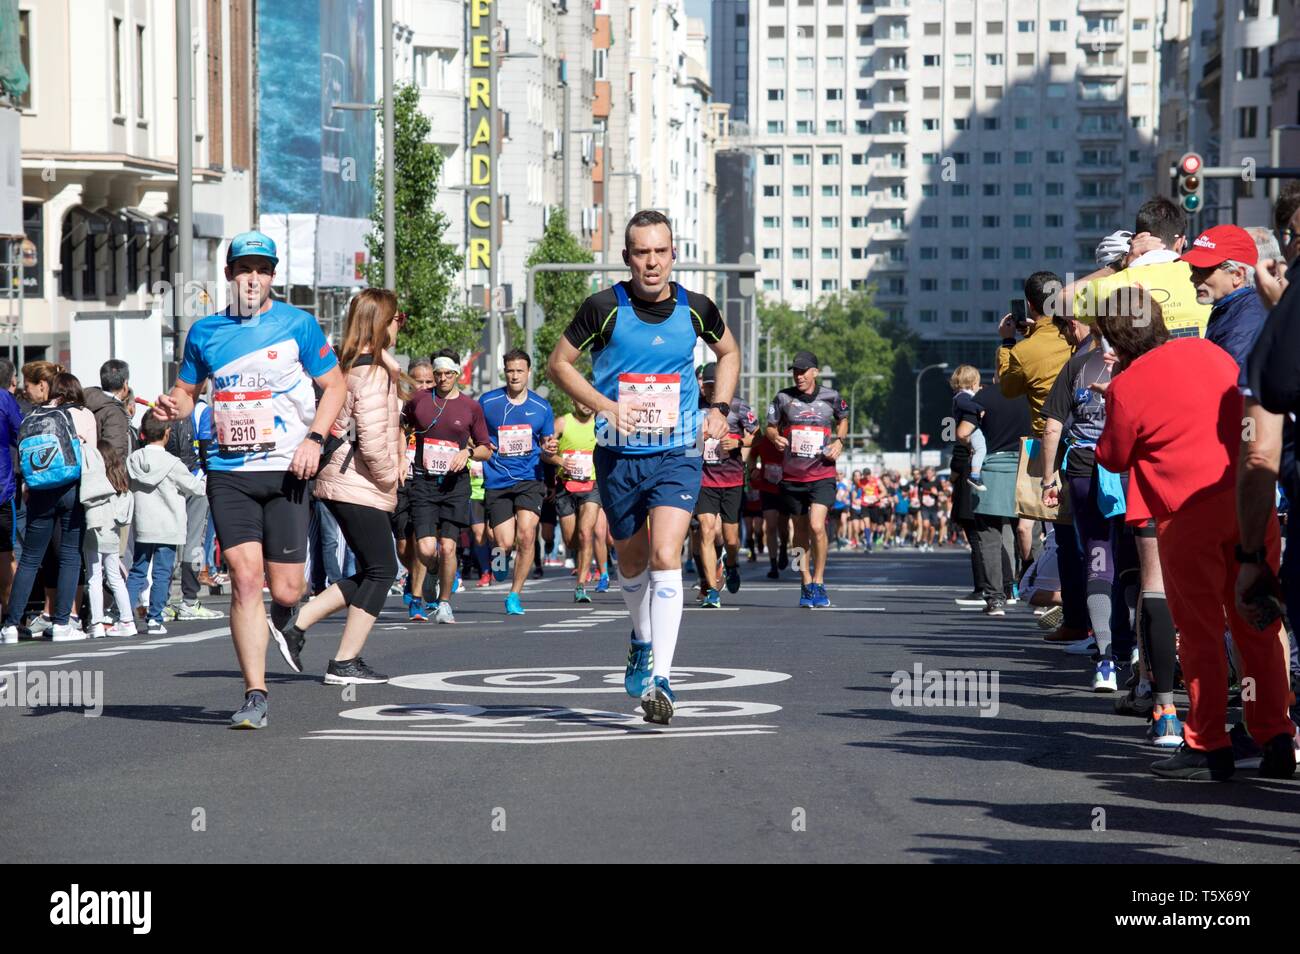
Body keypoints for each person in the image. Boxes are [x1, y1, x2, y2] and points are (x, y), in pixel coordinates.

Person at [548, 209, 738, 725]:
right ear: (628, 257)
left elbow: (729, 353)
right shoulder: (603, 307)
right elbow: (558, 363)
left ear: (673, 254)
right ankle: (641, 638)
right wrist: (606, 407)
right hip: (617, 455)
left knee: (664, 552)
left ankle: (663, 680)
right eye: (641, 253)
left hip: (677, 452)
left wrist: (717, 409)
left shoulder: (696, 308)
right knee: (630, 561)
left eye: (660, 251)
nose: (651, 262)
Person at [1096, 289, 1295, 780]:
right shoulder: (1212, 352)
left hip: (1186, 513)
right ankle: (1274, 736)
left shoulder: (1128, 383)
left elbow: (1113, 456)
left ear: (1117, 342)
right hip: (1249, 502)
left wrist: (1111, 400)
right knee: (1259, 624)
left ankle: (1209, 742)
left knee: (1201, 632)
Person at [153, 230, 347, 729]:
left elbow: (335, 386)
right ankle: (254, 694)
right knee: (244, 579)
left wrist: (315, 440)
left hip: (288, 469)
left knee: (286, 590)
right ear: (230, 276)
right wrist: (173, 406)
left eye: (262, 270)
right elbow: (187, 392)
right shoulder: (205, 332)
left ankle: (286, 617)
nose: (253, 278)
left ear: (273, 277)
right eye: (244, 269)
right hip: (228, 470)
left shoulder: (299, 325)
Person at [276, 289, 405, 684]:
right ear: (383, 323)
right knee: (383, 570)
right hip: (359, 482)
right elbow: (372, 437)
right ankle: (344, 661)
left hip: (342, 480)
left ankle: (299, 623)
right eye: (398, 319)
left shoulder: (354, 365)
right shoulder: (372, 374)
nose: (401, 326)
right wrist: (389, 478)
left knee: (373, 568)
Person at [1, 363, 91, 643]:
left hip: (38, 491)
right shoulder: (73, 414)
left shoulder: (29, 417)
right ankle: (63, 623)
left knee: (29, 558)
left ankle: (11, 625)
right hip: (68, 488)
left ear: (43, 385)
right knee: (70, 556)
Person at [405, 349, 492, 625]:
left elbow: (486, 449)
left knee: (449, 547)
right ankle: (426, 580)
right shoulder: (419, 400)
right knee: (427, 548)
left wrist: (467, 453)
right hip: (424, 481)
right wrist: (398, 459)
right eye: (437, 373)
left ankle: (443, 603)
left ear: (456, 374)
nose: (442, 378)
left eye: (447, 373)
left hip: (455, 484)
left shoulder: (471, 407)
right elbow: (400, 427)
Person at [766, 350, 849, 608]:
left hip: (822, 471)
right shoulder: (783, 397)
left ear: (815, 372)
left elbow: (843, 419)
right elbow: (769, 425)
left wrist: (839, 440)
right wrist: (774, 437)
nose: (798, 376)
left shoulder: (831, 396)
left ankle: (819, 580)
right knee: (799, 530)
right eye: (795, 371)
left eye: (803, 371)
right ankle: (805, 581)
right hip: (793, 474)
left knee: (816, 525)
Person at [479, 350, 557, 615]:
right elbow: (470, 433)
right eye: (510, 370)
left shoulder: (542, 407)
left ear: (528, 372)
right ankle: (499, 559)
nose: (514, 375)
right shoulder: (488, 402)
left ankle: (514, 595)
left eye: (519, 371)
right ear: (505, 372)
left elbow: (547, 446)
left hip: (529, 478)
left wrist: (550, 447)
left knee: (526, 535)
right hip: (497, 478)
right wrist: (479, 443)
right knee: (504, 543)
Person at [127, 414, 206, 636]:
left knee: (137, 570)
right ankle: (154, 618)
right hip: (169, 526)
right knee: (162, 573)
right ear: (167, 434)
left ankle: (124, 616)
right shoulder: (173, 463)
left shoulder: (133, 460)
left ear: (143, 433)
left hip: (143, 523)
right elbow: (196, 488)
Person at [693, 361, 758, 607]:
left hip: (731, 480)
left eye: (713, 386)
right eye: (706, 385)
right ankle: (711, 588)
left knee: (731, 539)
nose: (709, 391)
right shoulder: (693, 407)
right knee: (706, 530)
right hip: (704, 479)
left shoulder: (738, 406)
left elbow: (755, 433)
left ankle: (731, 564)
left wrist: (739, 442)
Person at [160, 384, 223, 621]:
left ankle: (162, 601)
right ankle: (189, 600)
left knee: (166, 540)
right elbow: (207, 448)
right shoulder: (201, 410)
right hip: (195, 481)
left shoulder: (163, 408)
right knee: (193, 541)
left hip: (167, 480)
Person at [1181, 224, 1268, 372]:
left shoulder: (1247, 318)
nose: (1193, 278)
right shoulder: (1234, 308)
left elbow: (1227, 380)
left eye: (1203, 270)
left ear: (1237, 275)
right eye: (1193, 268)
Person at [547, 398, 604, 602]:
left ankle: (581, 586)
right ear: (572, 400)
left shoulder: (601, 423)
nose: (586, 404)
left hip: (592, 485)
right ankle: (583, 559)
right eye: (580, 399)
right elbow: (544, 453)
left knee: (585, 533)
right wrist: (560, 460)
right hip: (566, 486)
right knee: (572, 540)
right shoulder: (562, 423)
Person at [81, 440, 135, 638]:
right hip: (113, 534)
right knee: (115, 577)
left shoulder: (96, 485)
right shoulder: (120, 485)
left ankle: (96, 622)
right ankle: (127, 620)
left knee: (94, 577)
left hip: (94, 534)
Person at [394, 358, 433, 616]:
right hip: (399, 481)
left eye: (429, 381)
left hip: (425, 482)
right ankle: (411, 576)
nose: (424, 385)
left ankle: (417, 596)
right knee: (403, 547)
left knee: (422, 542)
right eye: (419, 380)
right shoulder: (398, 405)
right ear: (409, 380)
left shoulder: (438, 407)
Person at [748, 432, 789, 577]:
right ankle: (773, 565)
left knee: (783, 527)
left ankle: (783, 547)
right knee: (771, 526)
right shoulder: (761, 440)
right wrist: (753, 470)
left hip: (786, 487)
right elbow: (751, 456)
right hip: (767, 488)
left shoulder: (788, 435)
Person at [0, 358, 22, 617]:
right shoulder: (6, 400)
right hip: (3, 486)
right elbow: (22, 432)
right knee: (5, 551)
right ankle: (9, 613)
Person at [83, 359, 136, 461]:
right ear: (125, 384)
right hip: (108, 473)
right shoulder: (114, 413)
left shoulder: (88, 402)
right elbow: (114, 453)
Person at [949, 366, 987, 492]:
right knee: (981, 449)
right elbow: (965, 404)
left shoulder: (962, 395)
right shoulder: (962, 396)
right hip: (972, 429)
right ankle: (975, 475)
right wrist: (979, 408)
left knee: (977, 450)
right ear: (973, 383)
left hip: (970, 429)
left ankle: (975, 472)